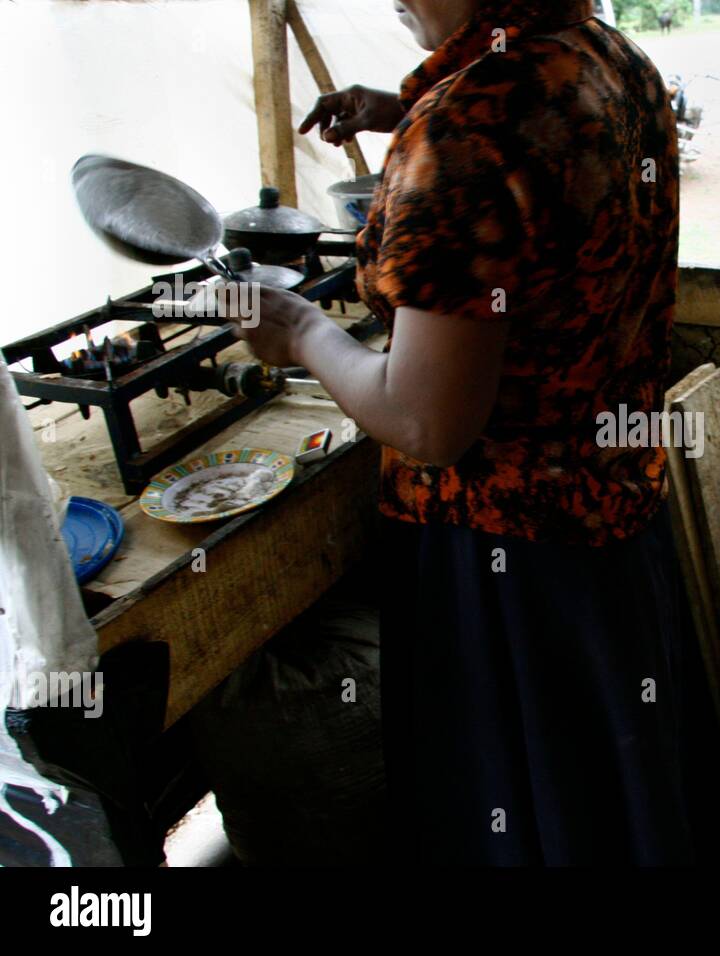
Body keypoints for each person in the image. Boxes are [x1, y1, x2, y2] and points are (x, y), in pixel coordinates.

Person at [232, 0, 692, 865]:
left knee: (511, 816)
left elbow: (426, 421)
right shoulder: (607, 58)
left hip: (506, 560)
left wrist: (298, 330)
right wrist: (399, 108)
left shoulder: (467, 130)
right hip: (614, 520)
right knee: (599, 812)